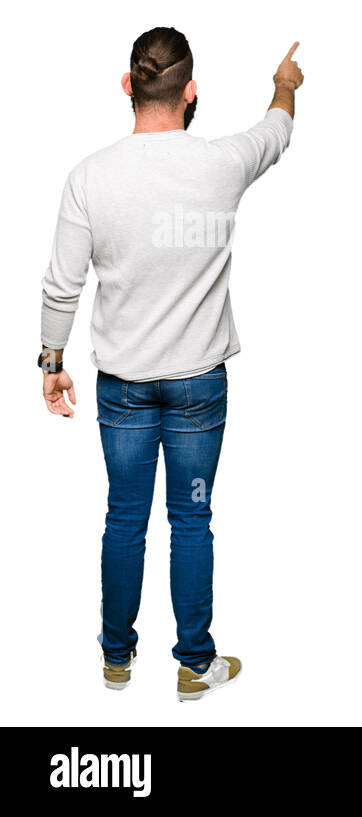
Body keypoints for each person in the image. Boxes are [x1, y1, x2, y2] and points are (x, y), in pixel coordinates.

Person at [39, 27, 304, 701]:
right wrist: (284, 83)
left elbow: (61, 285)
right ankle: (194, 663)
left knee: (125, 516)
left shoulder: (90, 177)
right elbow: (278, 129)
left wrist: (52, 360)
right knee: (190, 517)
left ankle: (116, 660)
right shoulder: (224, 162)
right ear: (190, 93)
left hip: (123, 387)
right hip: (196, 388)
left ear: (128, 86)